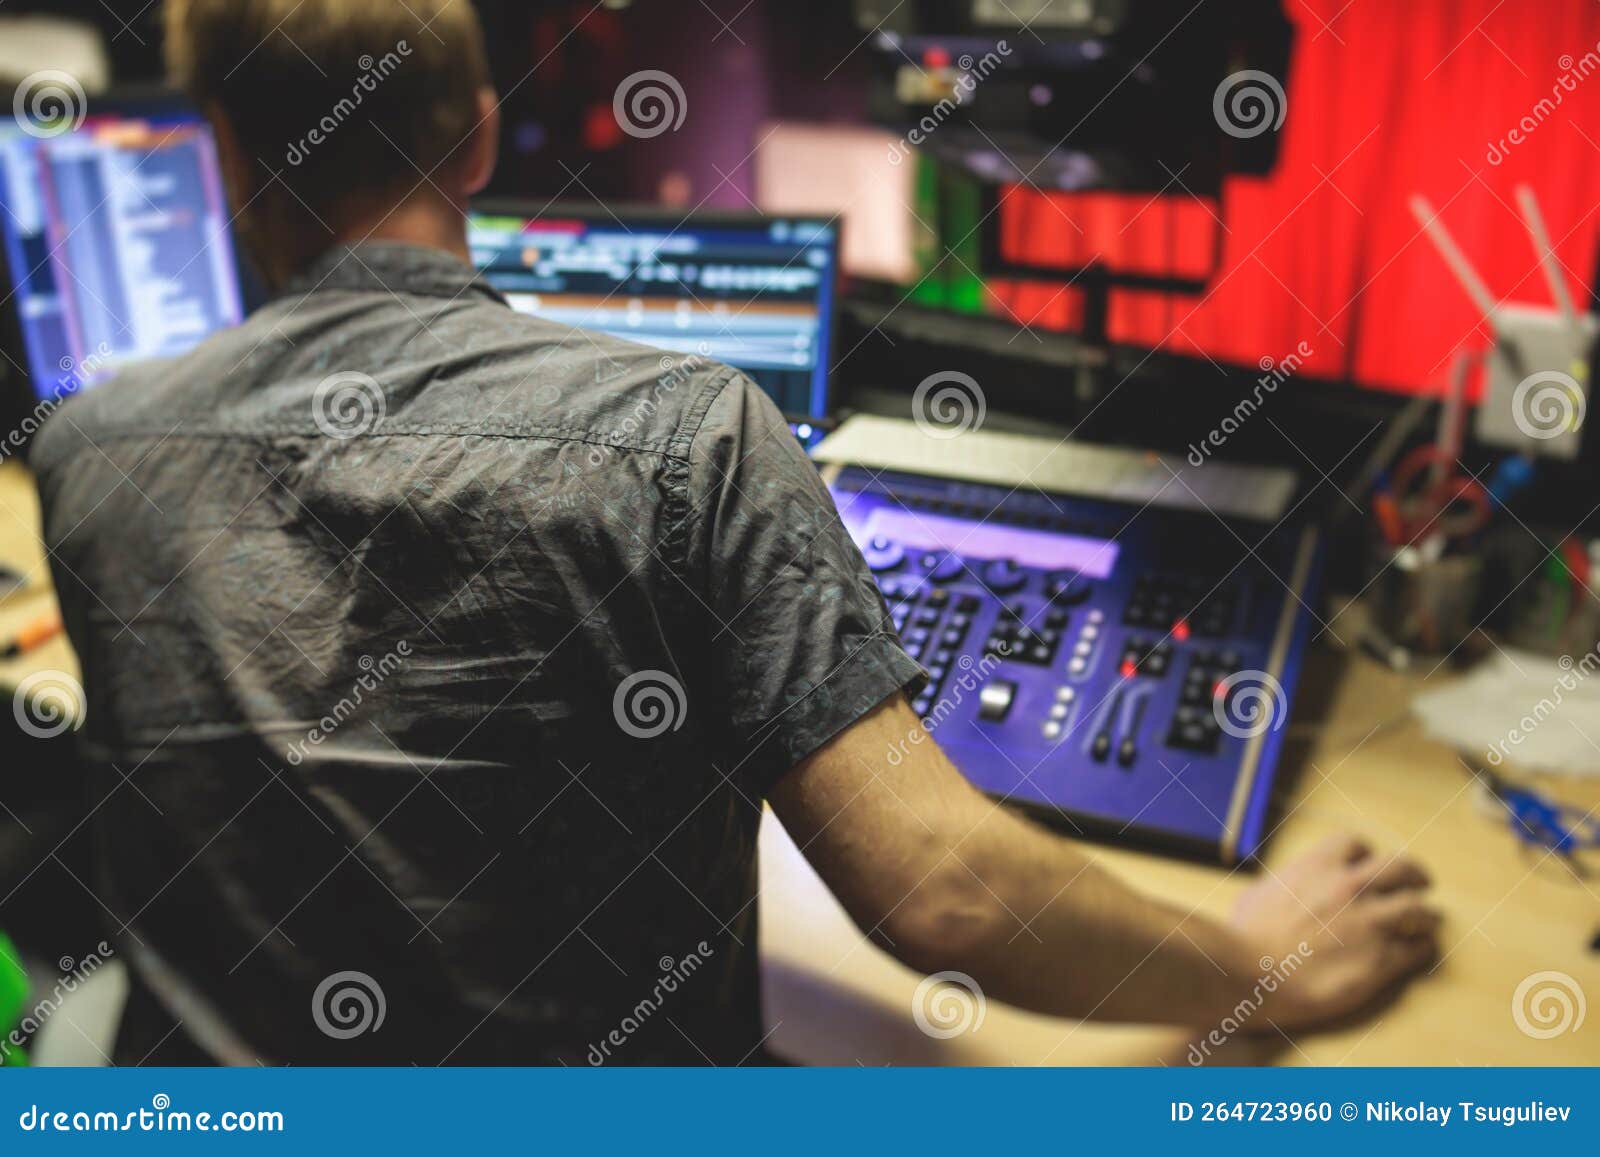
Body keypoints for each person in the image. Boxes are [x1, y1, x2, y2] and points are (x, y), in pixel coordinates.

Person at [28, 0, 1438, 1066]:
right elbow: (947, 889)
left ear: (216, 148)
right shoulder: (690, 434)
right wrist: (1259, 959)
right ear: (476, 131)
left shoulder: (89, 458)